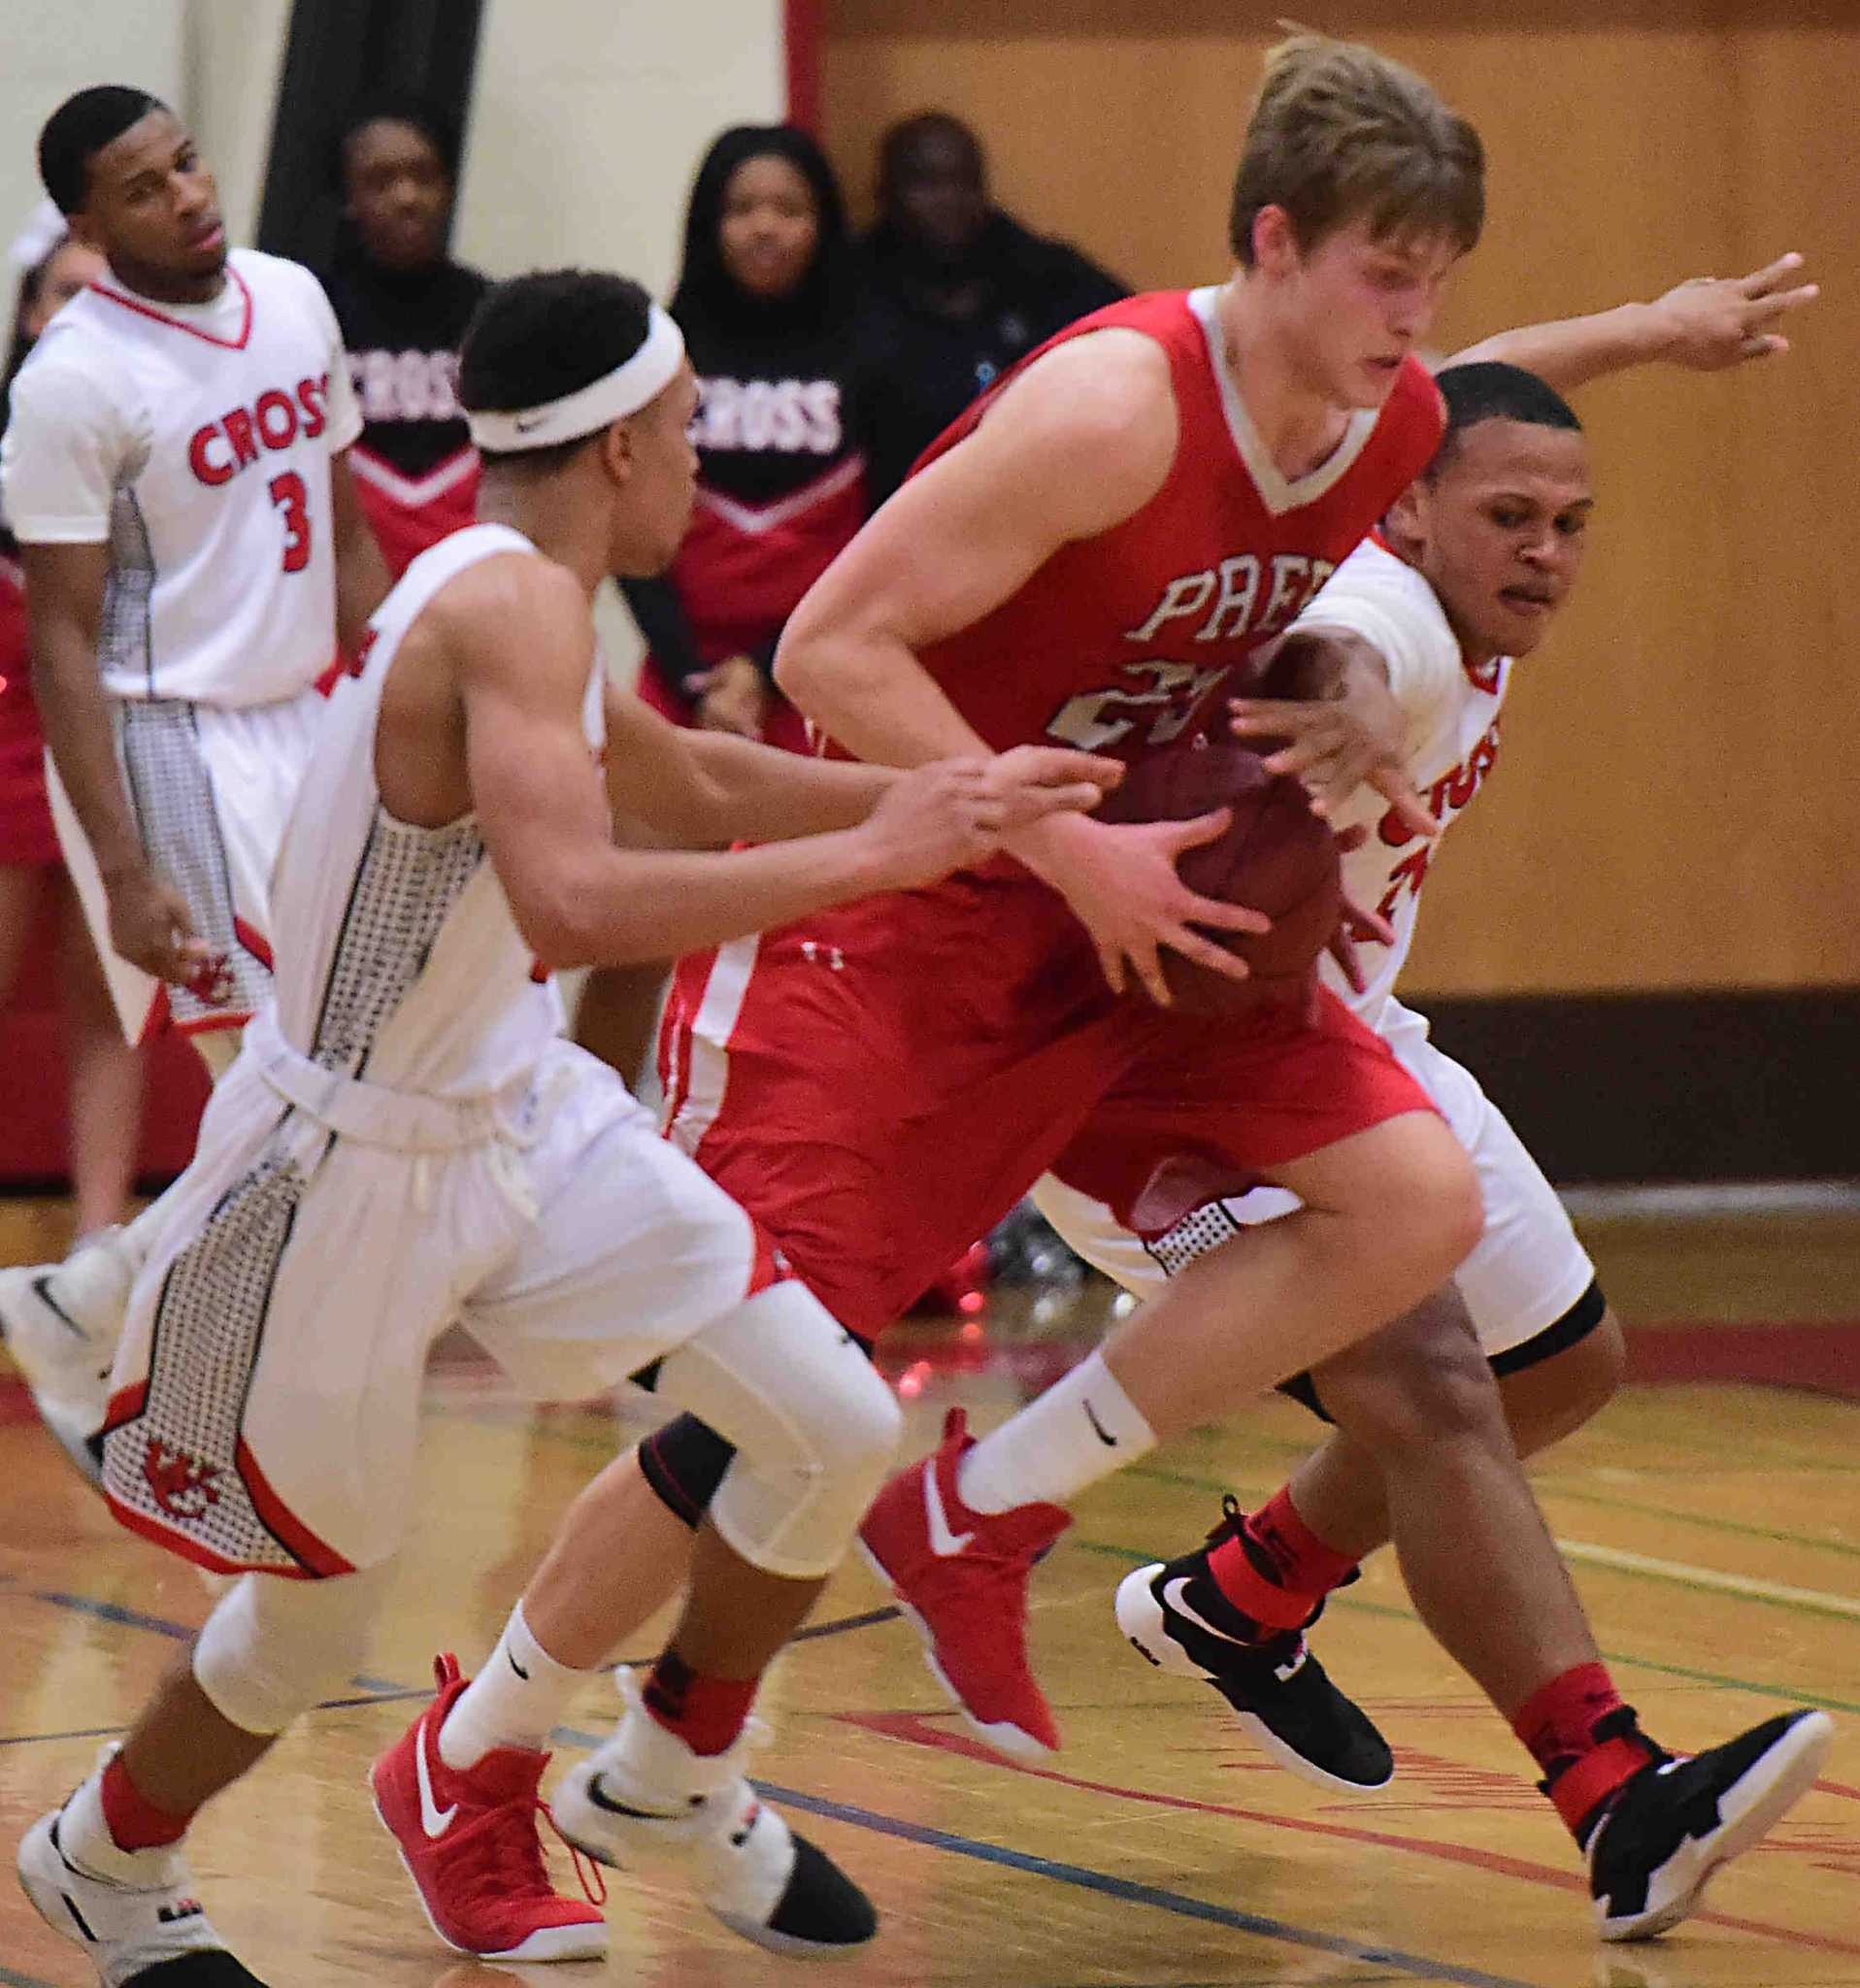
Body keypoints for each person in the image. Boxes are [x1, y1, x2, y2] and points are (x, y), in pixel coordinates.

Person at [660, 33, 1825, 1941]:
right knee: (1424, 1372)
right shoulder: (1345, 577)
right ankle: (1611, 1790)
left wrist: (1654, 321)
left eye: (1566, 519)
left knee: (1564, 1367)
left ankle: (1244, 1591)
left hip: (1338, 1021)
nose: (1538, 547)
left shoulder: (1397, 429)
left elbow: (1465, 371)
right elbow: (1292, 652)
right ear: (1412, 512)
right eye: (1505, 515)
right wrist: (1335, 710)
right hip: (1152, 1005)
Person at [15, 267, 1118, 1981]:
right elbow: (582, 896)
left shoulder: (521, 586)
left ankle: (671, 1767)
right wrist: (886, 856)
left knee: (830, 1415)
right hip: (349, 1162)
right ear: (616, 448)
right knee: (317, 1617)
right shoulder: (508, 610)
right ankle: (103, 1855)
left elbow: (684, 781)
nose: (698, 456)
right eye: (684, 430)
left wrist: (941, 800)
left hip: (512, 1113)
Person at [0, 85, 392, 1477]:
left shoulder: (291, 295)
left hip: (311, 715)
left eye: (189, 160)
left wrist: (403, 695)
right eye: (146, 186)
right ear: (92, 223)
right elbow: (59, 639)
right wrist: (119, 868)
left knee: (349, 1081)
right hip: (169, 743)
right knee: (295, 1091)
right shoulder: (71, 380)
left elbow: (344, 529)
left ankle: (80, 1299)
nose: (187, 194)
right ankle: (204, 1395)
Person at [622, 123, 874, 752]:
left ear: (825, 223)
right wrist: (694, 677)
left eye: (789, 209)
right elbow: (622, 528)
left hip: (826, 671)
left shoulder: (880, 354)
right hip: (685, 677)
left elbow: (896, 528)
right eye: (741, 209)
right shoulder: (653, 356)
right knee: (647, 846)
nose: (765, 227)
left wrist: (764, 669)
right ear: (708, 224)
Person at [0, 227, 146, 1242]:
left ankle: (99, 1248)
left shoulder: (160, 445)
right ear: (26, 310)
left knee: (113, 999)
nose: (78, 317)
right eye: (63, 293)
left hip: (114, 735)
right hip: (6, 729)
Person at [859, 111, 1127, 503]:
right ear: (886, 193)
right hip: (889, 517)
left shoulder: (1042, 273)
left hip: (1027, 509)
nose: (949, 201)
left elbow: (1130, 340)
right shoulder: (853, 284)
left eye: (965, 182)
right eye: (927, 183)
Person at [320, 93, 488, 577]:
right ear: (348, 198)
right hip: (348, 585)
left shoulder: (493, 313)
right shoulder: (310, 312)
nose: (407, 197)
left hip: (464, 581)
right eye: (381, 181)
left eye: (424, 176)